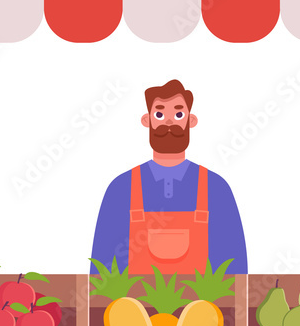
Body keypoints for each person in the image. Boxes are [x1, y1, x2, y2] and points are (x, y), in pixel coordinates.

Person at [90, 80, 247, 275]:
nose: (169, 122)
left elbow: (233, 262)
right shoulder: (122, 188)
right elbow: (103, 264)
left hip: (205, 306)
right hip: (132, 305)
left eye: (179, 114)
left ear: (191, 120)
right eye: (160, 114)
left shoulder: (216, 188)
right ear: (147, 120)